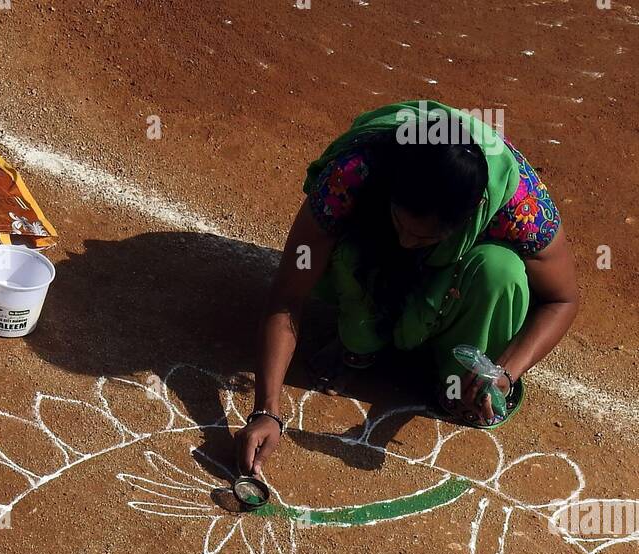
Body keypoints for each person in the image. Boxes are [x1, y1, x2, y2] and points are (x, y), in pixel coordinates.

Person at [238, 101, 579, 476]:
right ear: (391, 190)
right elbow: (287, 296)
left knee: (500, 271)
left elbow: (562, 299)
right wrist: (266, 410)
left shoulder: (520, 208)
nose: (405, 241)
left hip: (455, 279)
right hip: (375, 262)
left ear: (472, 217)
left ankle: (458, 380)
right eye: (400, 223)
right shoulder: (353, 175)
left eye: (424, 236)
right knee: (350, 251)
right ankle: (362, 339)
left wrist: (505, 372)